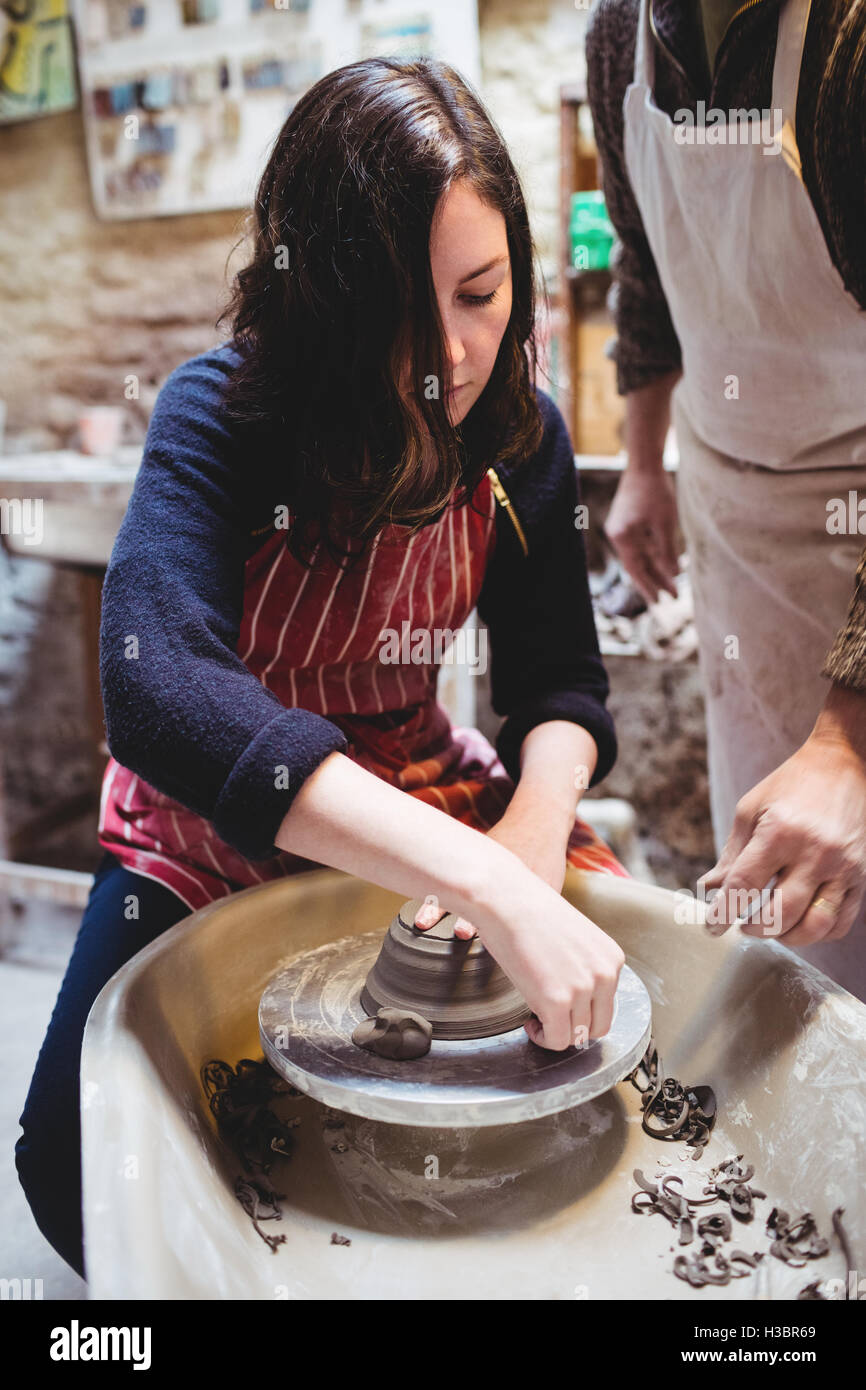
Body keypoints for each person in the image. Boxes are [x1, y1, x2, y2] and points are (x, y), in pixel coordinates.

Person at [17, 56, 628, 1278]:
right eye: (401, 311)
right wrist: (484, 881)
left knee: (614, 1066)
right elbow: (157, 686)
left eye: (479, 294)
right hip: (211, 819)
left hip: (411, 776)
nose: (446, 357)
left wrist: (522, 847)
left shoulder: (518, 432)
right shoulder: (222, 414)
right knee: (69, 1159)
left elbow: (558, 683)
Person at [586, 0, 866, 994]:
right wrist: (644, 463)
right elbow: (643, 270)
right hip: (729, 513)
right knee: (790, 930)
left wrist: (843, 737)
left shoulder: (844, 44)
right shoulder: (621, 32)